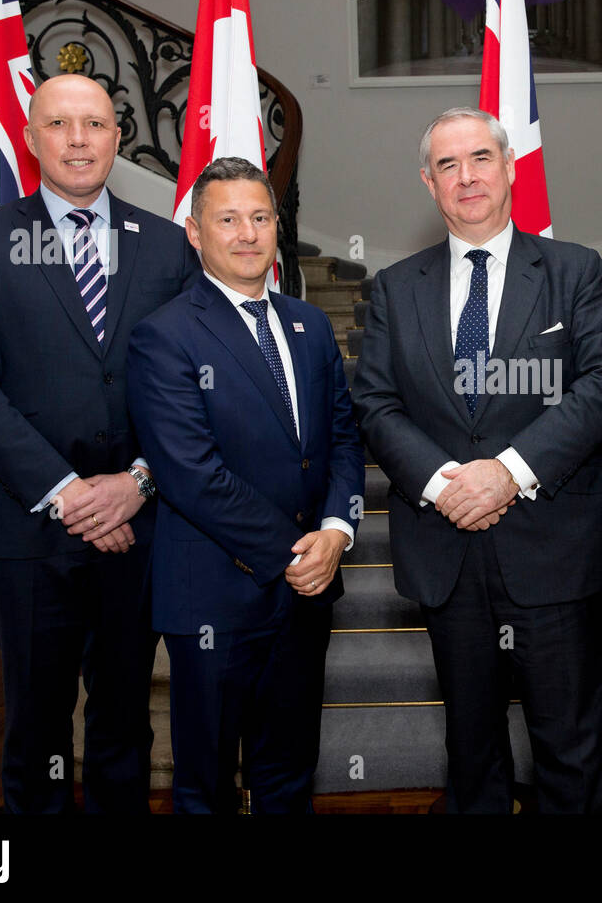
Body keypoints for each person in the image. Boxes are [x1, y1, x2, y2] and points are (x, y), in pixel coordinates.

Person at [351, 107, 602, 813]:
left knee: (570, 743)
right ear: (428, 181)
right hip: (447, 548)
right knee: (471, 753)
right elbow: (376, 404)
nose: (466, 176)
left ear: (509, 168)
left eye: (480, 158)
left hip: (552, 550)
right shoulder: (392, 286)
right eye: (448, 164)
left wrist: (509, 470)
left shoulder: (574, 271)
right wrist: (446, 484)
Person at [0, 74, 197, 812]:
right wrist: (71, 494)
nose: (78, 139)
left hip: (141, 531)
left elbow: (186, 390)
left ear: (119, 137)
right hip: (27, 532)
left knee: (123, 723)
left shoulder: (167, 246)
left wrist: (138, 483)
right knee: (35, 730)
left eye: (94, 124)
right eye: (59, 124)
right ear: (30, 138)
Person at [126, 157, 364, 813]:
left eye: (260, 217)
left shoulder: (309, 326)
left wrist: (337, 532)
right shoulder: (163, 337)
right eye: (227, 219)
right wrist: (298, 552)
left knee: (288, 772)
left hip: (306, 595)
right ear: (196, 234)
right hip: (215, 597)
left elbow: (344, 440)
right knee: (205, 785)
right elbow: (192, 476)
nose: (248, 233)